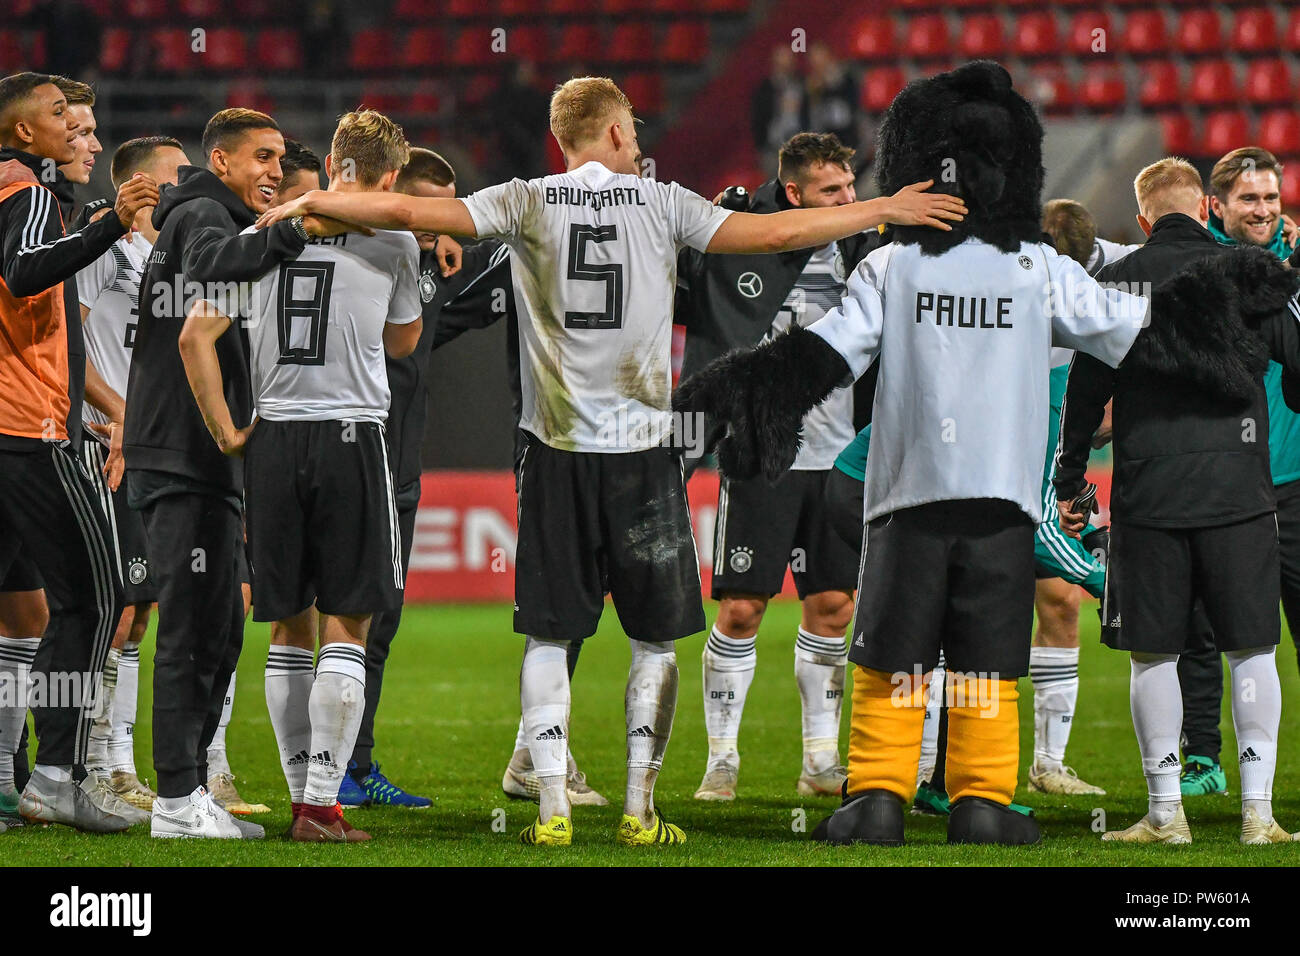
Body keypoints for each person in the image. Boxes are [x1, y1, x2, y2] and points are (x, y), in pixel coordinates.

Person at [257, 74, 966, 847]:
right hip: (641, 453)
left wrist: (305, 204)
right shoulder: (664, 202)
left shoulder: (525, 198)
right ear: (619, 134)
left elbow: (402, 208)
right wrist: (886, 209)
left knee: (550, 638)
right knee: (653, 640)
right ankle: (640, 808)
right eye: (632, 125)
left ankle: (554, 809)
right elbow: (774, 235)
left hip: (554, 452)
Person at [676, 63, 1194, 847]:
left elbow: (823, 355)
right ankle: (981, 799)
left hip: (905, 502)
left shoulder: (893, 265)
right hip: (1003, 504)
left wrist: (744, 393)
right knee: (987, 659)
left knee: (893, 653)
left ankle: (880, 793)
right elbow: (1140, 331)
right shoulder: (1039, 269)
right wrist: (1233, 300)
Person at [181, 109, 421, 843]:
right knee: (350, 620)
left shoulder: (265, 232)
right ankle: (320, 806)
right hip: (350, 434)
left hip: (274, 442)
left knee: (290, 625)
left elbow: (195, 335)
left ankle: (300, 801)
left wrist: (227, 432)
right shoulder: (395, 237)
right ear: (386, 177)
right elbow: (403, 341)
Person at [1056, 156, 1300, 845]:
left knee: (1154, 655)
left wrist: (1071, 475)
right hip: (1243, 493)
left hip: (1148, 492)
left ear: (1142, 221)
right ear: (1204, 210)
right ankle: (1259, 814)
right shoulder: (1247, 271)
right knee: (1252, 651)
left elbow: (1085, 391)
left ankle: (1166, 814)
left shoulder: (1117, 277)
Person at [124, 107, 343, 839]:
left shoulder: (206, 211)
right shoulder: (204, 216)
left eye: (280, 158)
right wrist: (295, 228)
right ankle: (176, 801)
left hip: (197, 460)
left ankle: (187, 794)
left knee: (216, 627)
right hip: (181, 457)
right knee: (191, 628)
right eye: (261, 157)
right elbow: (216, 267)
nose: (274, 171)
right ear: (220, 162)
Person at [676, 132, 878, 802]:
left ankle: (821, 760)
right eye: (832, 192)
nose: (849, 202)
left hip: (841, 457)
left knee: (832, 605)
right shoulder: (743, 243)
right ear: (794, 195)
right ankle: (722, 759)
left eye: (851, 189)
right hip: (764, 456)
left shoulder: (864, 251)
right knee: (740, 608)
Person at [0, 71, 157, 832]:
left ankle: (19, 775)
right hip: (31, 430)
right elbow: (26, 270)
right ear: (24, 131)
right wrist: (108, 226)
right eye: (59, 113)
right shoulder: (24, 187)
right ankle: (57, 777)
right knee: (93, 602)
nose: (74, 125)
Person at [1175, 146, 1300, 799]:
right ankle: (1202, 758)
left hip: (1296, 482)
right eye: (1249, 199)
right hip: (1222, 477)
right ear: (1214, 206)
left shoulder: (1296, 271)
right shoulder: (1196, 274)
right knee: (1202, 627)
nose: (1264, 210)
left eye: (1271, 198)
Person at [74, 135, 188, 822]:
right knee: (114, 613)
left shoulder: (162, 254)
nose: (187, 186)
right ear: (143, 182)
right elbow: (70, 348)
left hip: (150, 451)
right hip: (105, 449)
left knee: (140, 613)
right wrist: (118, 414)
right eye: (177, 176)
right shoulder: (102, 246)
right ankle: (94, 766)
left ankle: (121, 764)